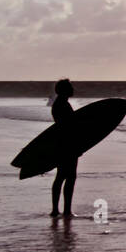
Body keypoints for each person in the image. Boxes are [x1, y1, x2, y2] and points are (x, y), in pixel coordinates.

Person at [50, 78, 77, 217]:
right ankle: (65, 210)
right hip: (67, 145)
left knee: (61, 176)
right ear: (64, 90)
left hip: (61, 144)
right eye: (70, 87)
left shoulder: (59, 103)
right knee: (69, 177)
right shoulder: (62, 105)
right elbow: (69, 126)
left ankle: (57, 210)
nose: (73, 89)